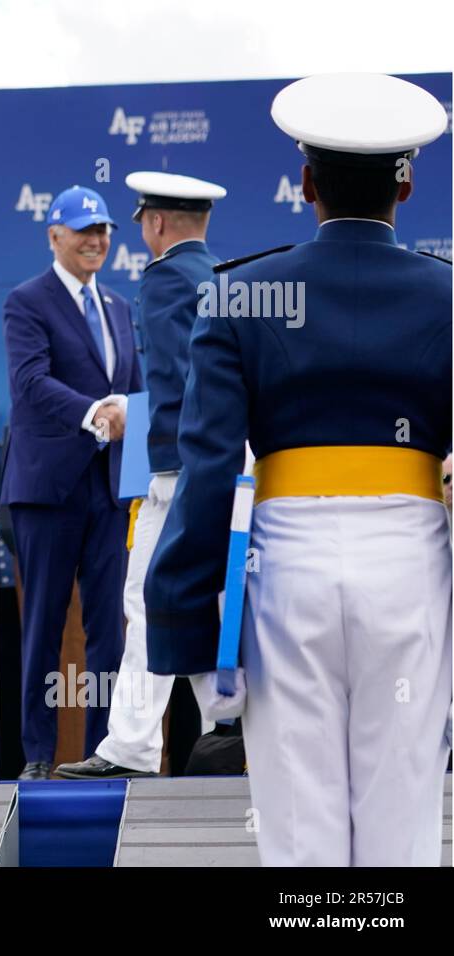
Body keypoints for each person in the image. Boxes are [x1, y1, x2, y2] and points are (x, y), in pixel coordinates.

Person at [145, 73, 451, 866]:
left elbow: (207, 464)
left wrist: (178, 606)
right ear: (406, 184)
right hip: (412, 563)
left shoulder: (241, 293)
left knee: (298, 828)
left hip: (286, 568)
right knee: (403, 818)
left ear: (306, 183)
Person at [56, 171, 225, 780]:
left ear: (154, 223)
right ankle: (228, 735)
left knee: (149, 604)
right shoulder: (223, 278)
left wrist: (141, 419)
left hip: (180, 474)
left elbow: (185, 384)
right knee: (206, 606)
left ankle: (134, 748)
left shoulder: (164, 281)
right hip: (219, 470)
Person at [1, 185, 142, 781]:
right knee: (45, 625)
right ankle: (37, 753)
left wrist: (128, 417)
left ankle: (105, 749)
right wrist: (95, 414)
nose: (96, 240)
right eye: (83, 230)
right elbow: (29, 382)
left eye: (104, 230)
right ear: (53, 236)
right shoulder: (26, 301)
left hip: (109, 489)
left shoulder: (119, 307)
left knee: (108, 626)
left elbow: (133, 388)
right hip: (48, 491)